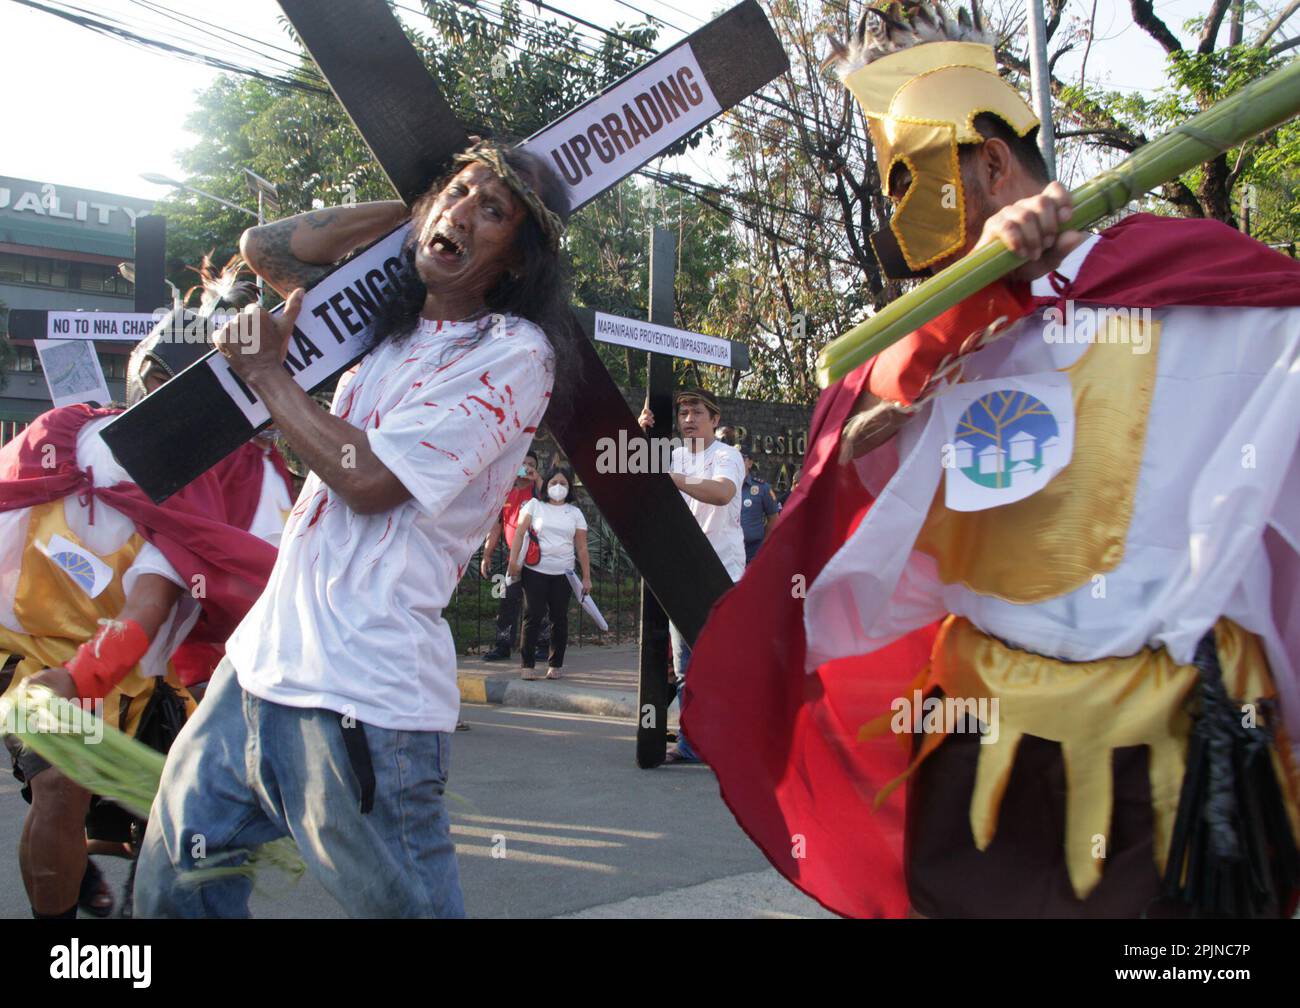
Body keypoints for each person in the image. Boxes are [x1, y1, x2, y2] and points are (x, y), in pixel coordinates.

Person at [683, 2, 1300, 918]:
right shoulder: (943, 345)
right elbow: (844, 457)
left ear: (995, 161)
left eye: (915, 182)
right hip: (985, 751)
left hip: (1166, 755)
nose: (901, 213)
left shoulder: (1195, 290)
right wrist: (959, 316)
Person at [133, 139, 572, 919]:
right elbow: (263, 247)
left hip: (362, 701)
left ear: (515, 263)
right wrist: (417, 212)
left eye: (492, 210)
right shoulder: (384, 323)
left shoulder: (513, 353)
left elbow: (369, 482)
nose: (462, 210)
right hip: (252, 675)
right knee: (173, 894)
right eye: (457, 191)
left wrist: (268, 375)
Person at [0, 312, 279, 919]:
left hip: (141, 680)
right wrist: (64, 679)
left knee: (169, 816)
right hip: (36, 664)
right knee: (58, 790)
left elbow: (144, 615)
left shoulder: (208, 493)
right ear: (150, 384)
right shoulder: (58, 437)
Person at [637, 388, 744, 764]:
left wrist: (675, 480)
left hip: (720, 573)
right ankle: (692, 744)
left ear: (715, 420)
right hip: (680, 572)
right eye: (682, 413)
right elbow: (634, 482)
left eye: (697, 412)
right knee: (685, 667)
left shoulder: (726, 456)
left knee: (718, 663)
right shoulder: (675, 456)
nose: (687, 419)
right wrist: (640, 432)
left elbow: (722, 492)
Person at [507, 466, 591, 680]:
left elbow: (581, 547)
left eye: (563, 483)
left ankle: (555, 665)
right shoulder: (535, 506)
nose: (558, 487)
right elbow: (519, 533)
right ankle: (527, 665)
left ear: (570, 487)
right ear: (546, 485)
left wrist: (587, 577)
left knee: (559, 619)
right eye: (554, 483)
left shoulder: (575, 513)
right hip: (535, 571)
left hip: (563, 574)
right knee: (532, 616)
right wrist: (514, 561)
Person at [479, 449, 542, 661]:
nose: (527, 466)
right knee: (507, 601)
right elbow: (496, 527)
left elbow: (553, 501)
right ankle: (503, 646)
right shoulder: (505, 491)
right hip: (514, 559)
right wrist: (487, 554)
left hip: (537, 557)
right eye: (522, 462)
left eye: (531, 463)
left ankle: (542, 645)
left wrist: (537, 479)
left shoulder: (538, 489)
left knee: (537, 602)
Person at [738, 447, 779, 564]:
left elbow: (774, 519)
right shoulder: (721, 488)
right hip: (727, 552)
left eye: (741, 459)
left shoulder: (762, 488)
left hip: (753, 552)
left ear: (750, 463)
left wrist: (762, 545)